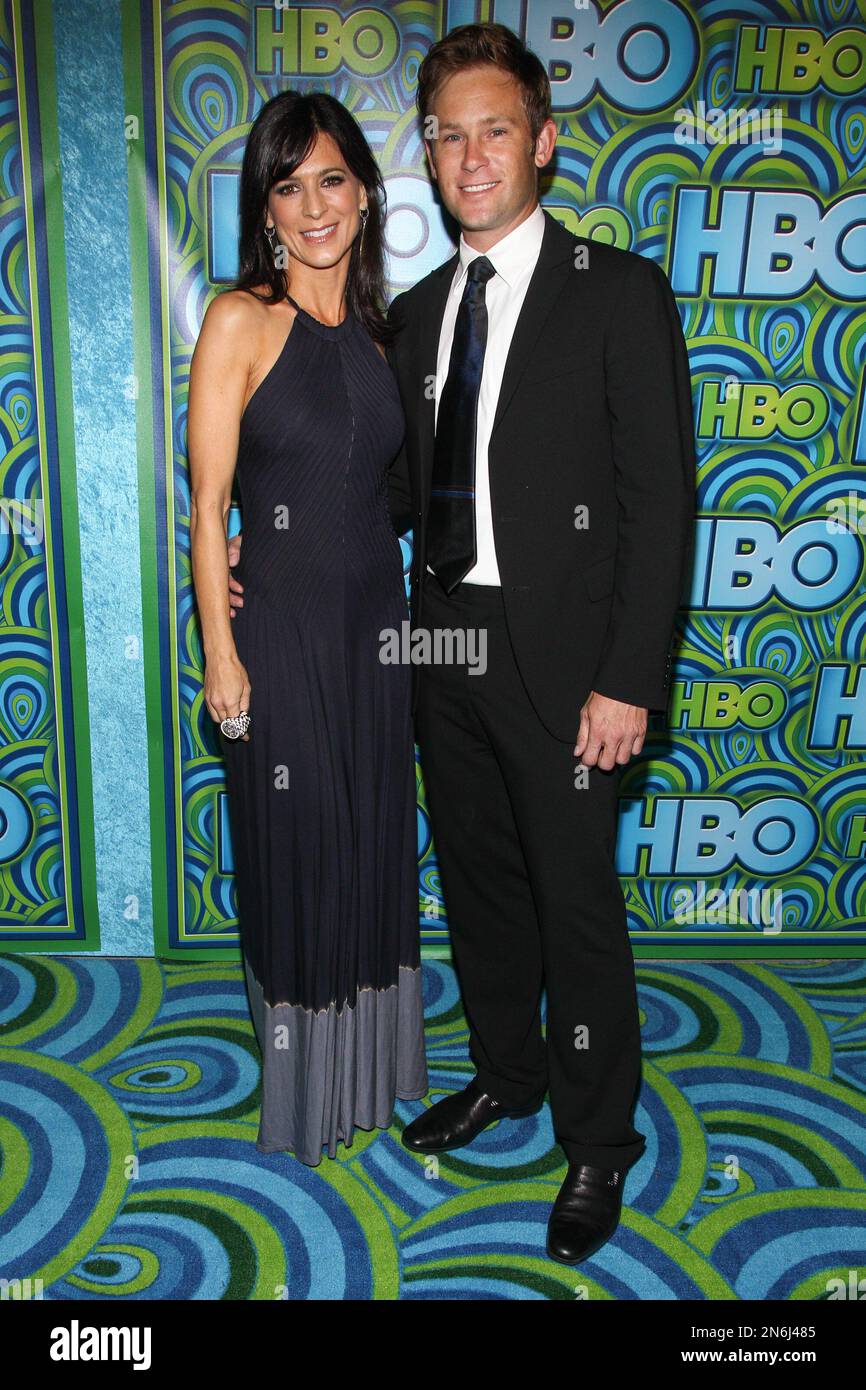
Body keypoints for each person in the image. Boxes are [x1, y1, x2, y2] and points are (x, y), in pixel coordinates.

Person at [230, 22, 696, 1263]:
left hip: (570, 662)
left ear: (541, 142)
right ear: (428, 158)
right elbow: (380, 490)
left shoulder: (619, 292)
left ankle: (598, 1140)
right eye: (447, 135)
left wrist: (626, 681)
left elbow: (659, 506)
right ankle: (509, 1071)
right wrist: (252, 544)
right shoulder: (420, 316)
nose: (471, 154)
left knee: (576, 906)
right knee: (484, 889)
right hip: (438, 649)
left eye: (496, 129)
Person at [188, 90, 427, 1168]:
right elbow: (205, 508)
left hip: (379, 634)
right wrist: (219, 651)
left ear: (367, 194)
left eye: (332, 178)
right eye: (288, 186)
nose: (313, 203)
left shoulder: (387, 338)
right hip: (278, 637)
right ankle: (300, 1093)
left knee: (371, 850)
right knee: (300, 854)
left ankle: (370, 1078)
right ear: (266, 211)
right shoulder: (239, 320)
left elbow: (394, 496)